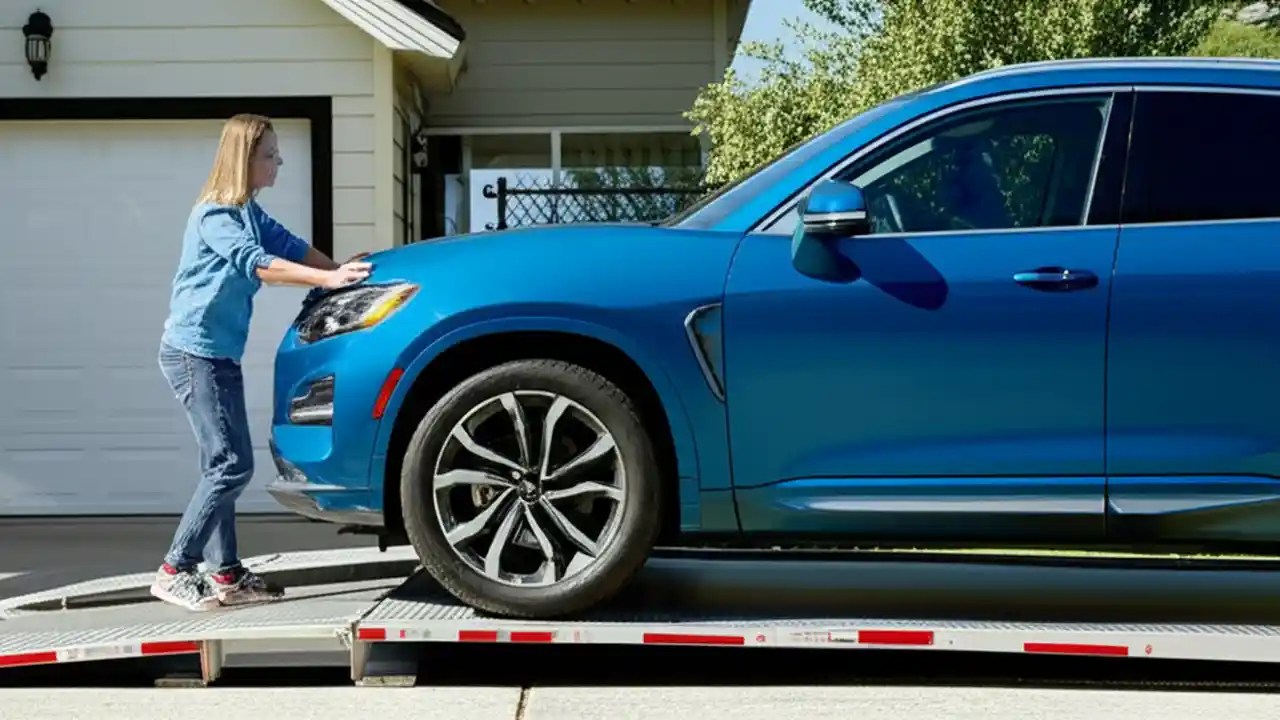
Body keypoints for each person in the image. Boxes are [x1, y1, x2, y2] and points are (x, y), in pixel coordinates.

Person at [151, 113, 372, 611]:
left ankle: (225, 574)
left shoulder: (249, 212)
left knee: (219, 464)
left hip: (217, 354)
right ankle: (174, 570)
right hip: (193, 353)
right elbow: (261, 265)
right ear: (244, 158)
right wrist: (327, 282)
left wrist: (340, 269)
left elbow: (290, 247)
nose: (278, 162)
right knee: (231, 465)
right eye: (269, 154)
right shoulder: (216, 216)